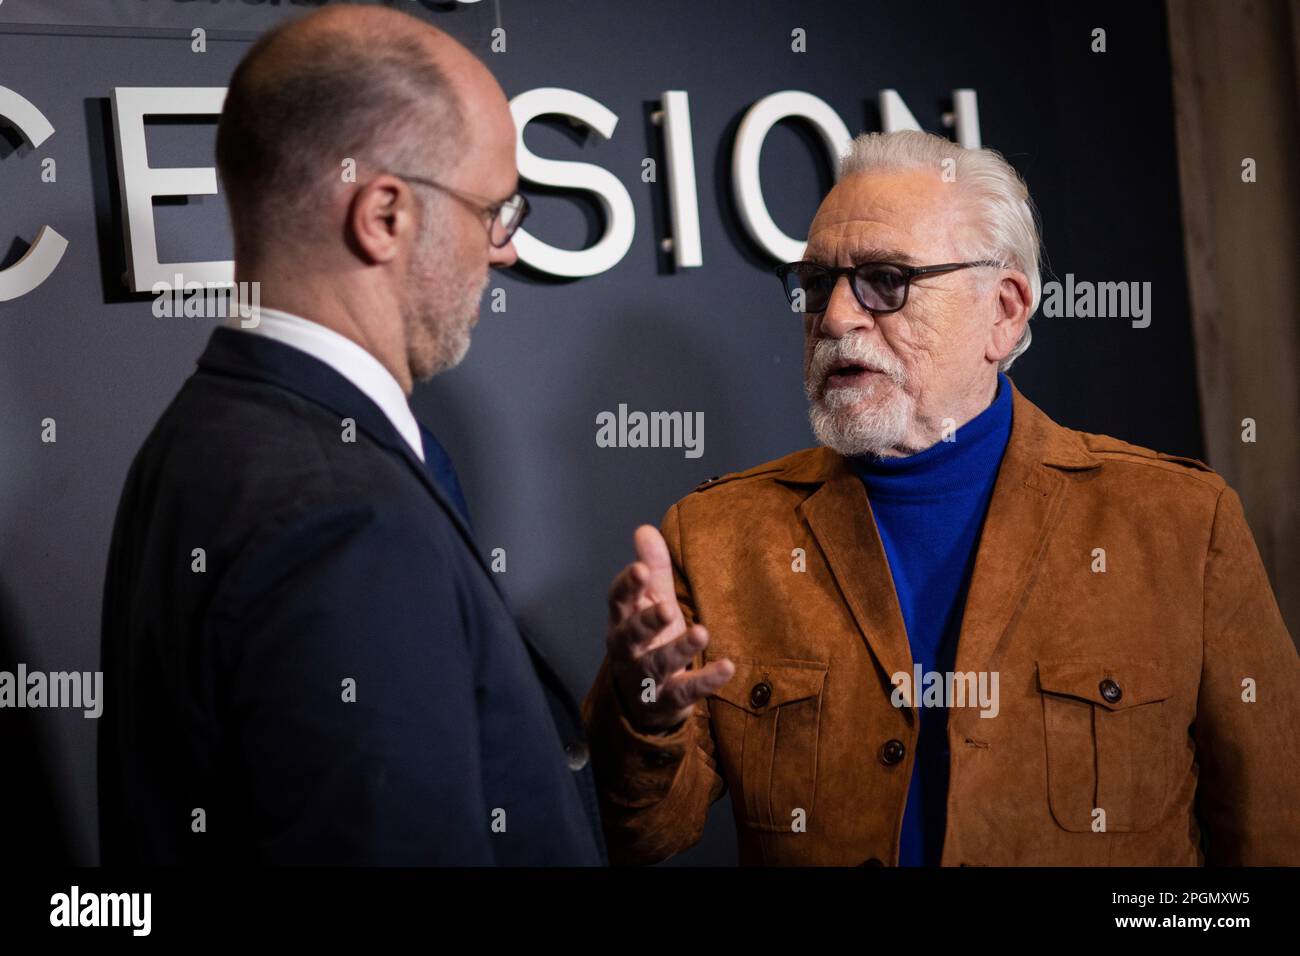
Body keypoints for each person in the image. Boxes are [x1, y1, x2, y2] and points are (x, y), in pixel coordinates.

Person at [587, 129, 1300, 866]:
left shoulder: (1181, 522)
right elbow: (644, 832)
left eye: (886, 280)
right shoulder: (715, 538)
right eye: (817, 283)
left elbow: (1277, 830)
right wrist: (645, 708)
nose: (834, 318)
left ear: (1005, 311)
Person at [100, 5, 604, 865]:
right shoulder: (344, 518)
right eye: (497, 209)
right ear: (384, 217)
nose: (508, 251)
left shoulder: (203, 435)